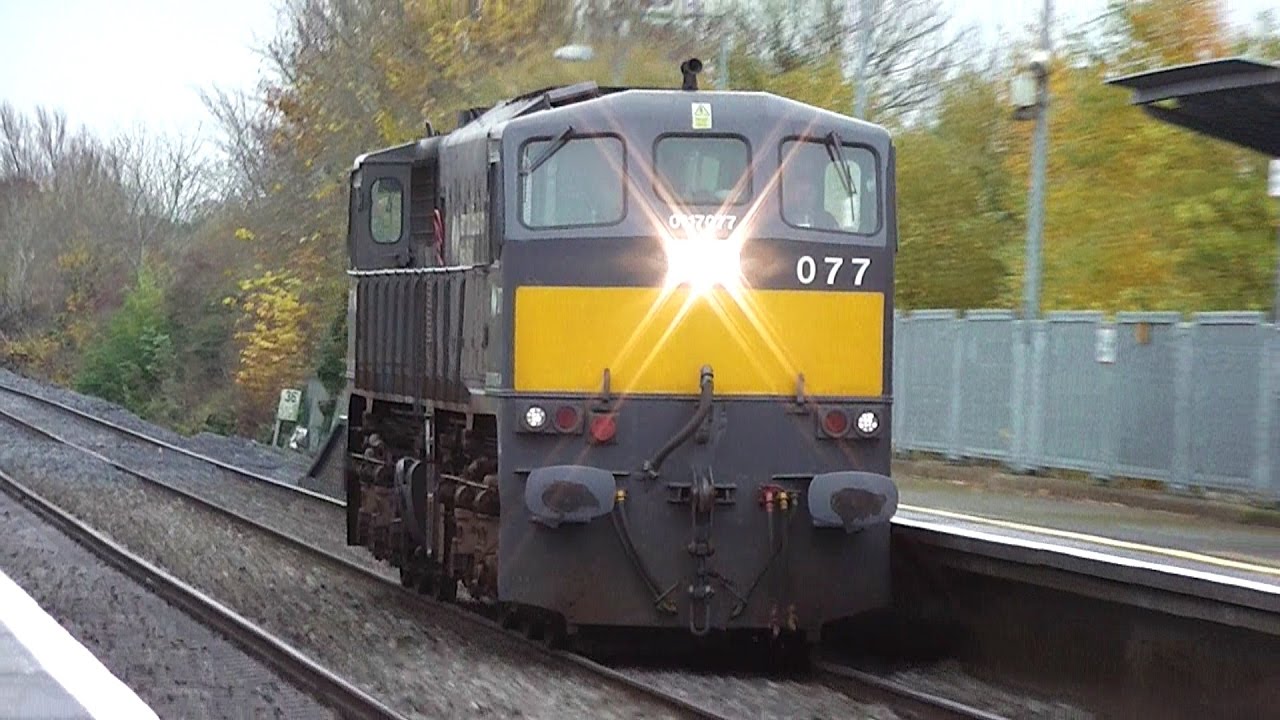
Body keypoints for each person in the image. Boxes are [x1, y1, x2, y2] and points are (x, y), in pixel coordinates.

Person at [784, 156, 840, 230]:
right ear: (793, 193)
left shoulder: (827, 221)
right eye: (801, 193)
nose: (805, 199)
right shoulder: (782, 220)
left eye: (809, 193)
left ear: (815, 193)